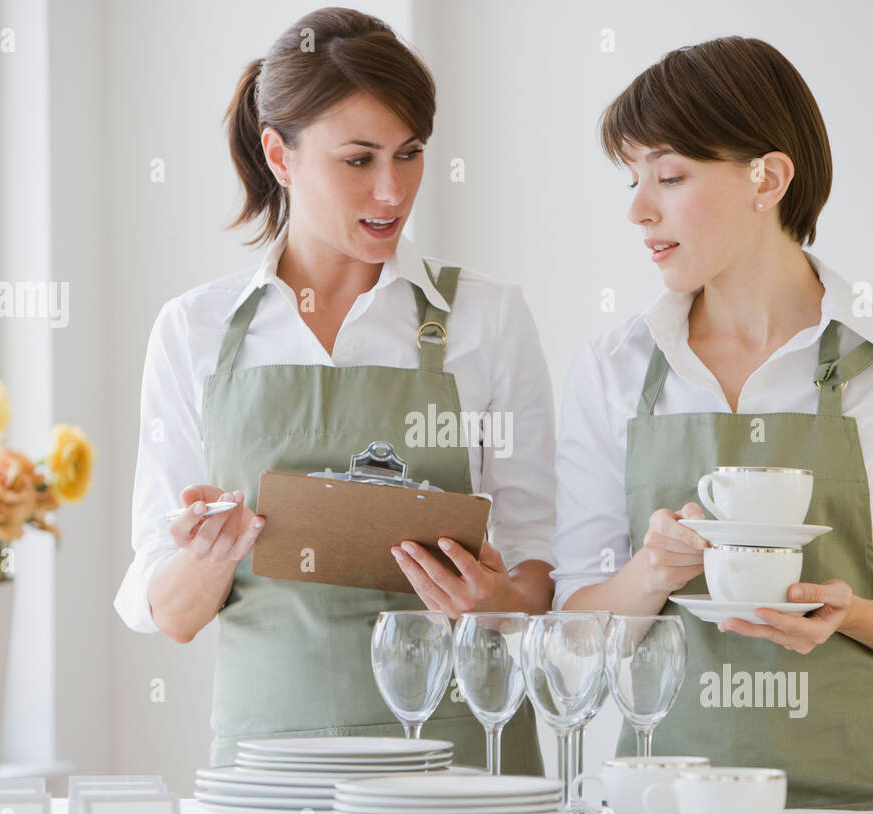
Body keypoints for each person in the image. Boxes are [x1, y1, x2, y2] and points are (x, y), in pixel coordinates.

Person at [550, 36, 873, 811]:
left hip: (868, 810)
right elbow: (570, 648)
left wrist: (853, 615)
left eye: (670, 175)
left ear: (770, 178)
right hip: (669, 810)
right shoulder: (613, 371)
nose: (638, 210)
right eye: (633, 180)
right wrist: (650, 572)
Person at [114, 8, 552, 772]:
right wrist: (213, 555)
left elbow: (542, 569)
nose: (392, 191)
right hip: (275, 762)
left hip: (460, 762)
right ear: (279, 155)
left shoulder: (486, 317)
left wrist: (496, 602)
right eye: (358, 160)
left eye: (410, 154)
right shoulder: (196, 331)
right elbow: (172, 614)